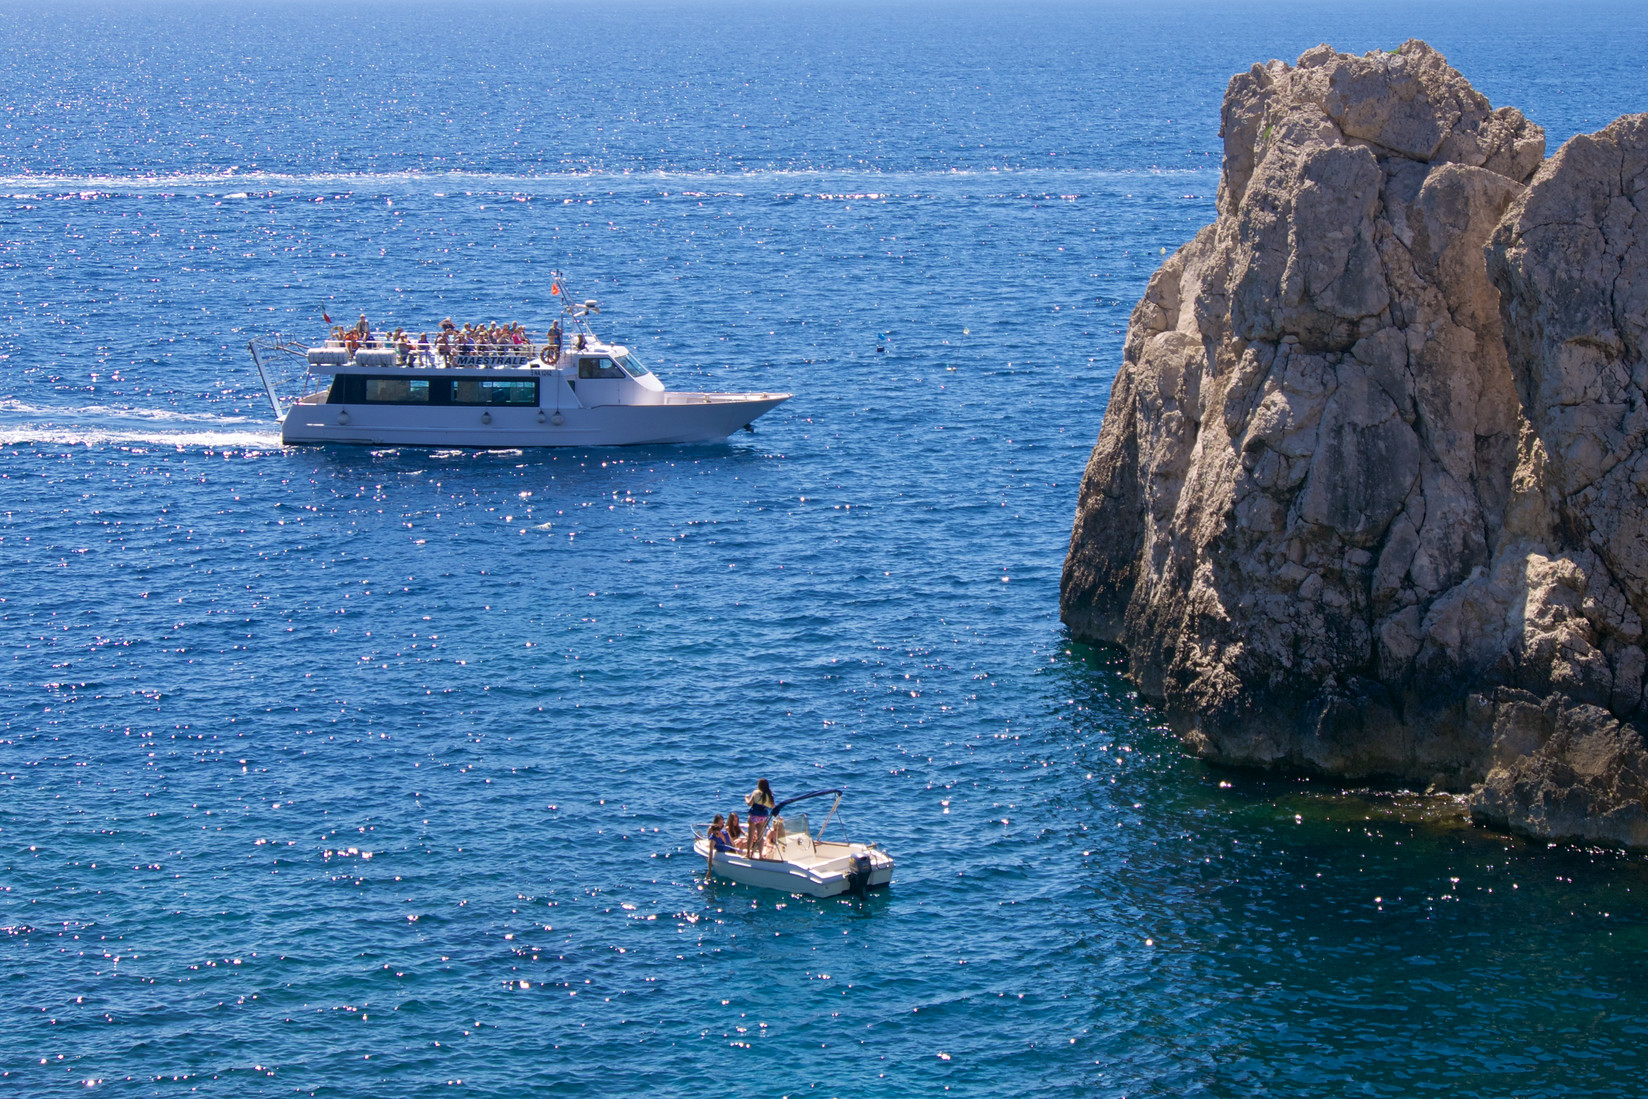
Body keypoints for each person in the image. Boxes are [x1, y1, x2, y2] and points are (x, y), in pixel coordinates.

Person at [744, 778, 775, 858]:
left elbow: (749, 804)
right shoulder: (769, 795)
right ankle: (760, 855)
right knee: (760, 837)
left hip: (754, 816)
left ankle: (748, 854)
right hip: (763, 817)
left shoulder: (756, 792)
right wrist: (779, 817)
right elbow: (773, 807)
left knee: (750, 836)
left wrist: (746, 798)